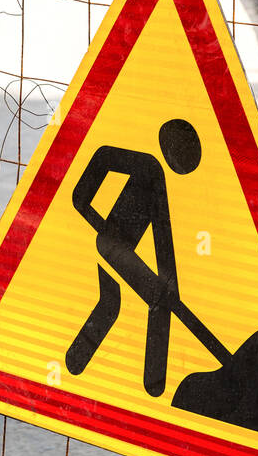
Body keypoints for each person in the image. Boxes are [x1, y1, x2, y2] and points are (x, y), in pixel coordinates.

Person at [65, 119, 202, 396]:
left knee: (120, 302)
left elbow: (162, 233)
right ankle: (151, 385)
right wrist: (99, 224)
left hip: (118, 247)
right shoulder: (147, 166)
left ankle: (150, 385)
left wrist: (169, 279)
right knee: (131, 302)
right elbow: (83, 189)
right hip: (111, 246)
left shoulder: (155, 174)